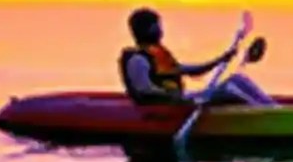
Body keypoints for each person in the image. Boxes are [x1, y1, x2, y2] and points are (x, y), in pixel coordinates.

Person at [118, 7, 276, 107]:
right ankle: (265, 118)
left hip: (178, 101)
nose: (160, 30)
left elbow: (191, 71)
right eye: (156, 27)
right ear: (145, 30)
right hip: (162, 109)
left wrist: (221, 59)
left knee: (237, 80)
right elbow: (145, 90)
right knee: (227, 94)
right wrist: (177, 98)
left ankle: (273, 110)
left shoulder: (158, 54)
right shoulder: (137, 59)